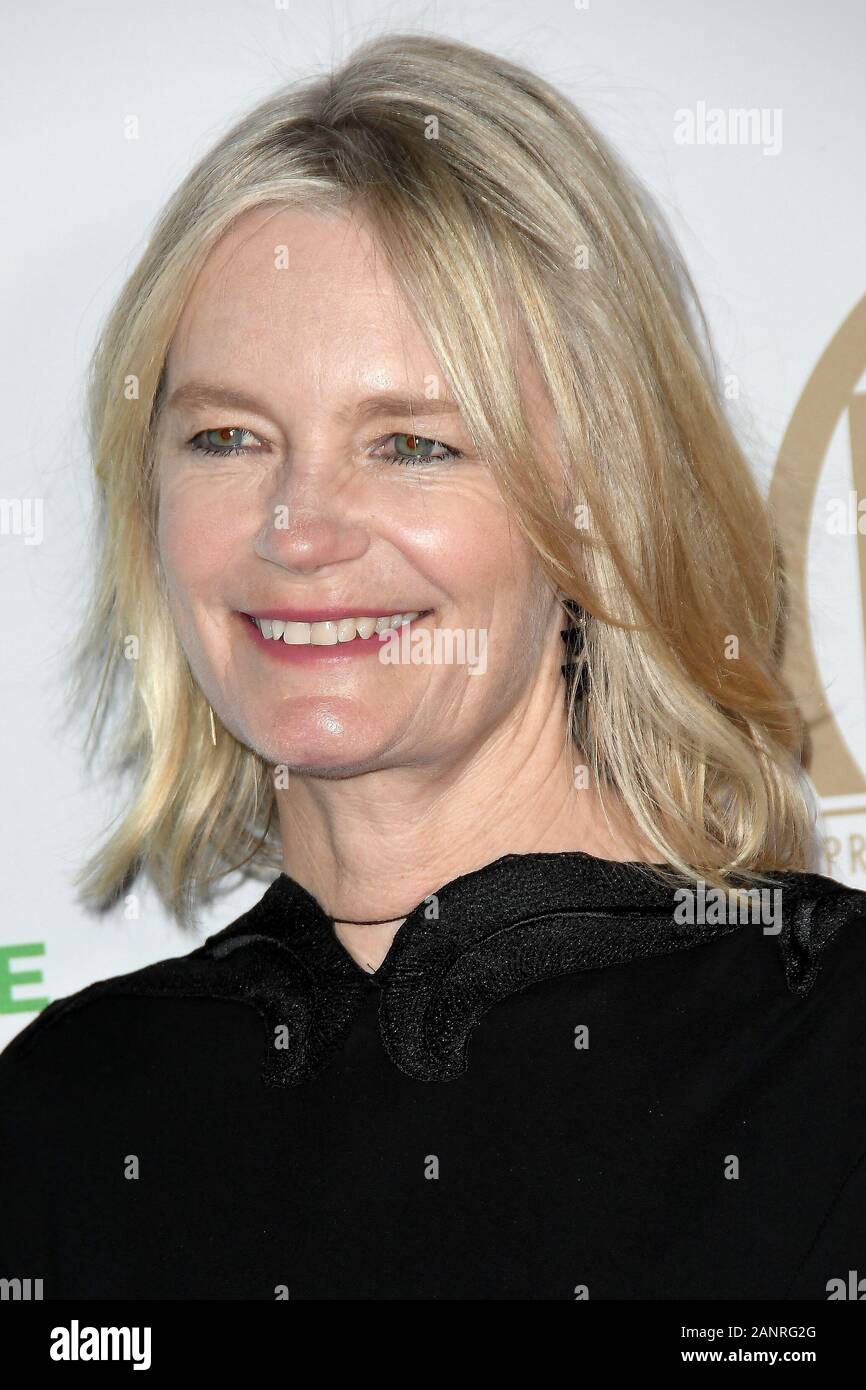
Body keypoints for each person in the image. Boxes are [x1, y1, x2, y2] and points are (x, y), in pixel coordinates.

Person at [2, 31, 865, 1302]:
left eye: (410, 444)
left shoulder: (829, 1050)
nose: (298, 529)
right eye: (229, 435)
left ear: (594, 507)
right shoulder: (70, 1113)